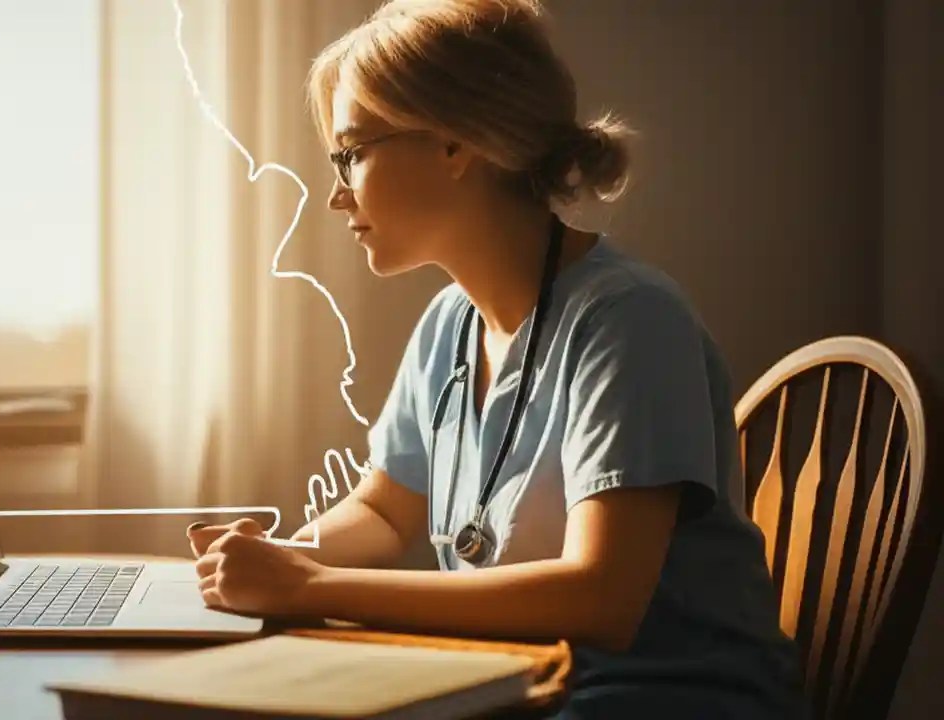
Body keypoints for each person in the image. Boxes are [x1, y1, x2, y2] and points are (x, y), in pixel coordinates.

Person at [186, 0, 806, 716]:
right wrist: (288, 555)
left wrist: (306, 588)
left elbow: (601, 598)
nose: (334, 193)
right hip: (522, 686)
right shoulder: (449, 323)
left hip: (661, 700)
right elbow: (385, 514)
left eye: (352, 153)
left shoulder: (631, 320)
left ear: (455, 144)